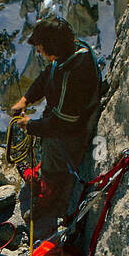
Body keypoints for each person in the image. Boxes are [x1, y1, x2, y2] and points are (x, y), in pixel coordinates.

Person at [10, 17, 106, 239]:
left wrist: (31, 126)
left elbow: (63, 123)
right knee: (49, 152)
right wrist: (26, 98)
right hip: (61, 121)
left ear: (54, 48)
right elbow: (47, 76)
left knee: (54, 160)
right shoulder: (71, 52)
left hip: (70, 131)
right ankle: (44, 173)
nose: (40, 53)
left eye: (42, 49)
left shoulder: (74, 74)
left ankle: (48, 194)